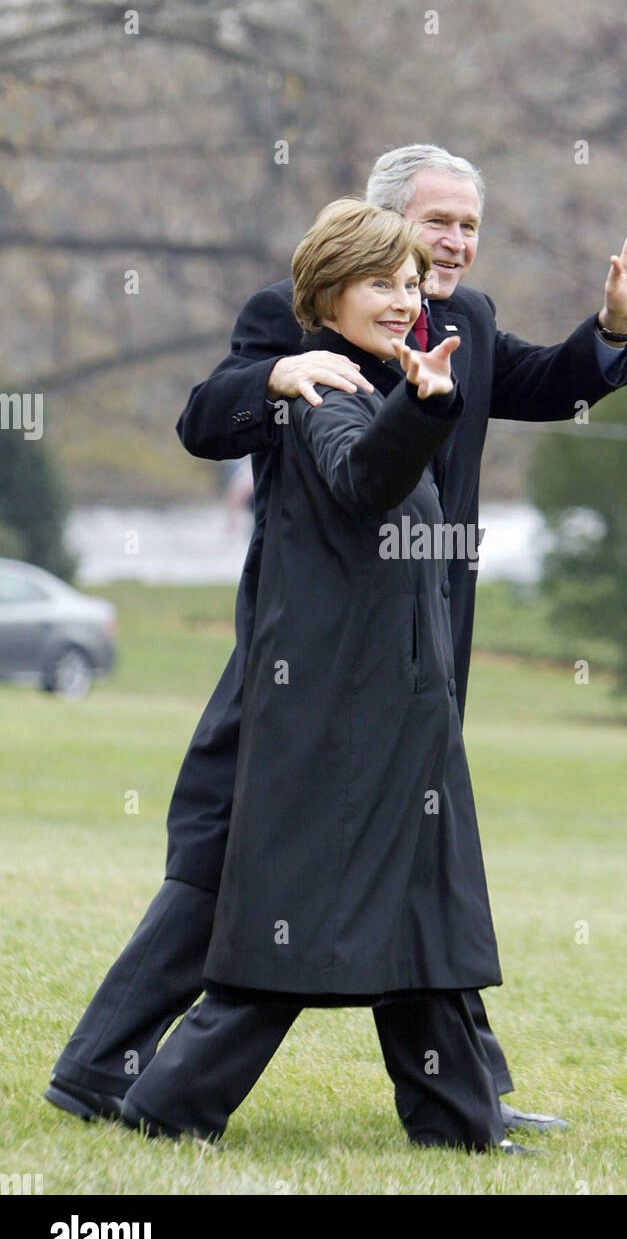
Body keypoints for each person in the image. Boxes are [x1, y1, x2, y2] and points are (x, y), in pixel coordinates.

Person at [46, 144, 627, 1135]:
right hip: (307, 646)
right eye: (437, 223)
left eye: (469, 225)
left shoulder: (459, 325)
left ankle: (462, 1100)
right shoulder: (301, 325)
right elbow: (208, 422)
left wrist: (609, 330)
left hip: (420, 641)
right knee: (239, 858)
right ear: (378, 226)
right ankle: (106, 1072)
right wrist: (274, 375)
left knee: (409, 863)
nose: (453, 244)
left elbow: (551, 386)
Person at [119, 200, 505, 1149]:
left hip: (404, 710)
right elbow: (362, 477)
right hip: (340, 717)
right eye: (384, 283)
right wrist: (422, 411)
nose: (405, 299)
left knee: (427, 925)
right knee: (291, 928)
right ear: (328, 294)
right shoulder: (327, 388)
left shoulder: (382, 381)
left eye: (412, 286)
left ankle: (459, 1121)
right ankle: (168, 1105)